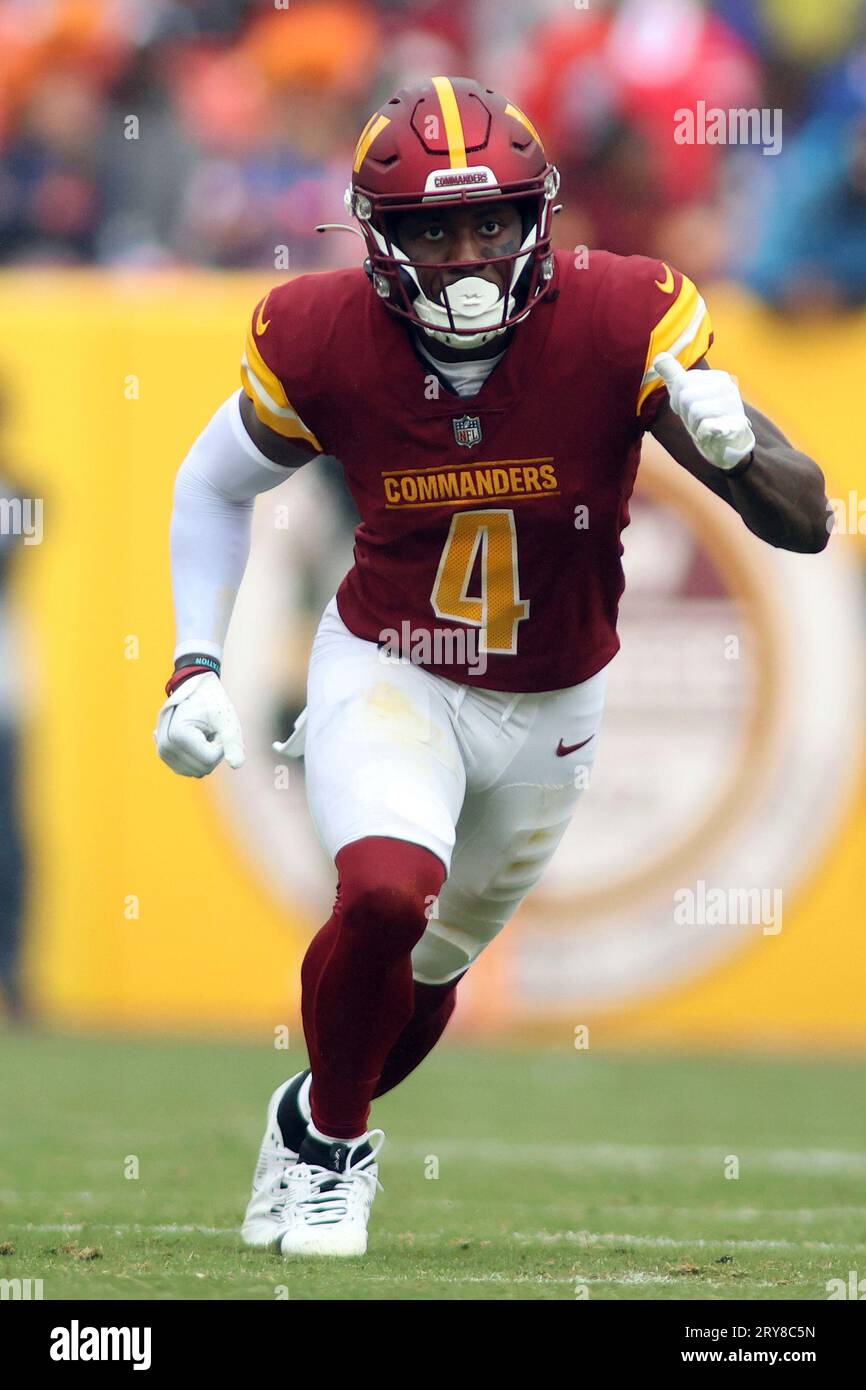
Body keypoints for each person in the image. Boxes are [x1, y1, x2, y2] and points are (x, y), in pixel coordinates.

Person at [154, 77, 830, 1258]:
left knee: (424, 970)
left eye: (488, 222)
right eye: (428, 227)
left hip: (552, 699)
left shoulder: (621, 318)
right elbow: (212, 483)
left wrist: (734, 447)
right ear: (376, 237)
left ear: (536, 220)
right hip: (389, 661)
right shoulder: (319, 337)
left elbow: (805, 523)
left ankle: (308, 1116)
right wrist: (192, 659)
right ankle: (339, 1153)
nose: (464, 253)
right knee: (379, 893)